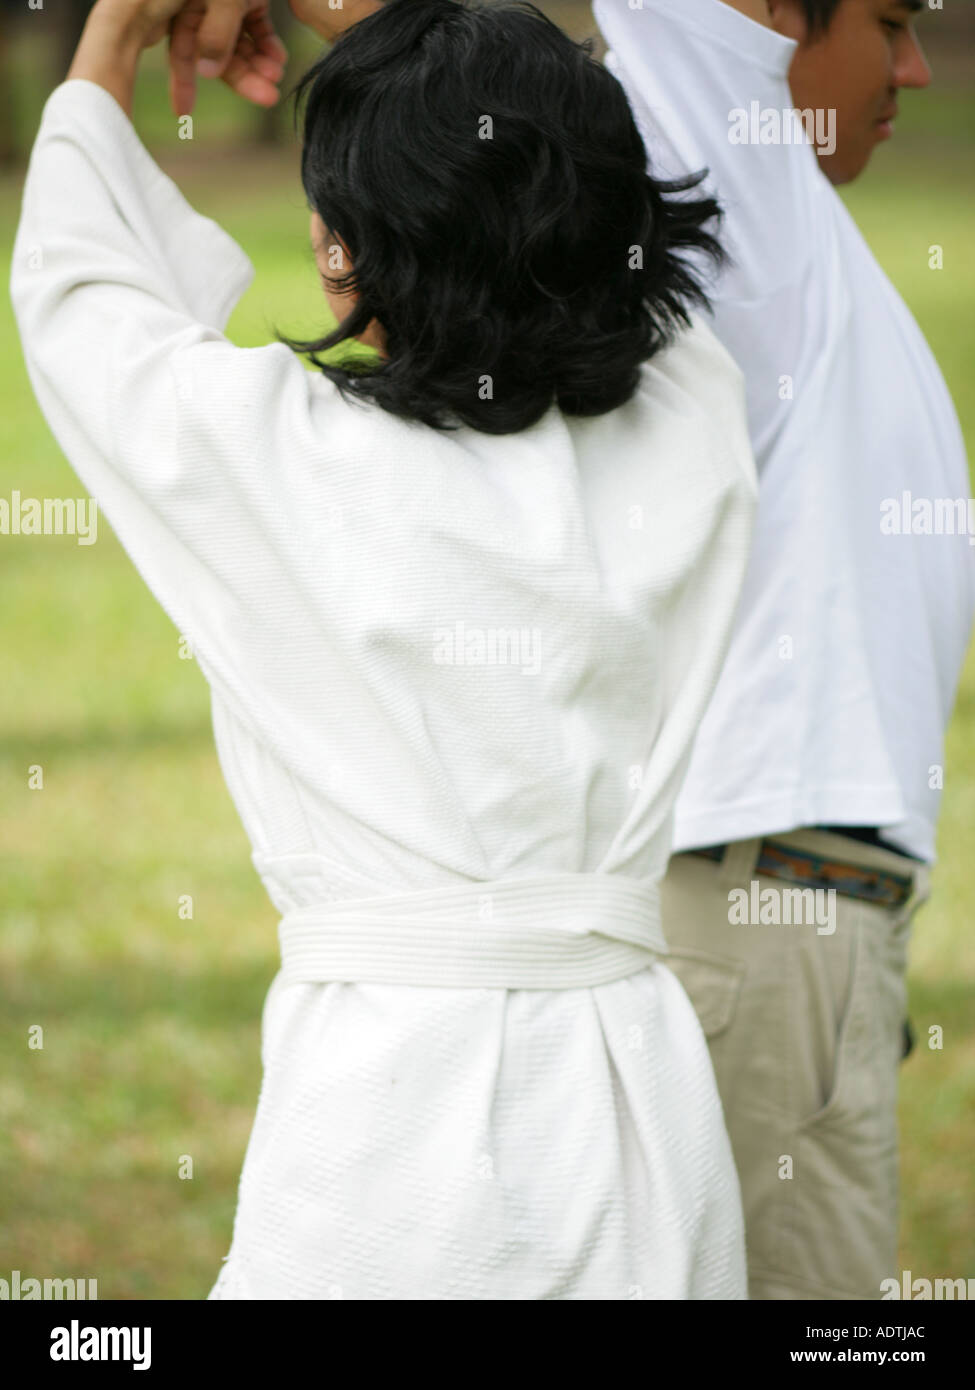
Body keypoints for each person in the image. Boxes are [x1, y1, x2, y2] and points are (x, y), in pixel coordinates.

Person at [11, 0, 760, 1298]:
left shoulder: (281, 466)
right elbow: (616, 252)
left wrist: (114, 42)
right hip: (643, 1116)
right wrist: (409, 50)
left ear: (351, 259)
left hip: (382, 1138)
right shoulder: (693, 436)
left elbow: (78, 297)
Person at [593, 0, 975, 1300]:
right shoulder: (741, 182)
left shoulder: (793, 229)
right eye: (889, 22)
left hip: (810, 935)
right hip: (754, 925)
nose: (916, 65)